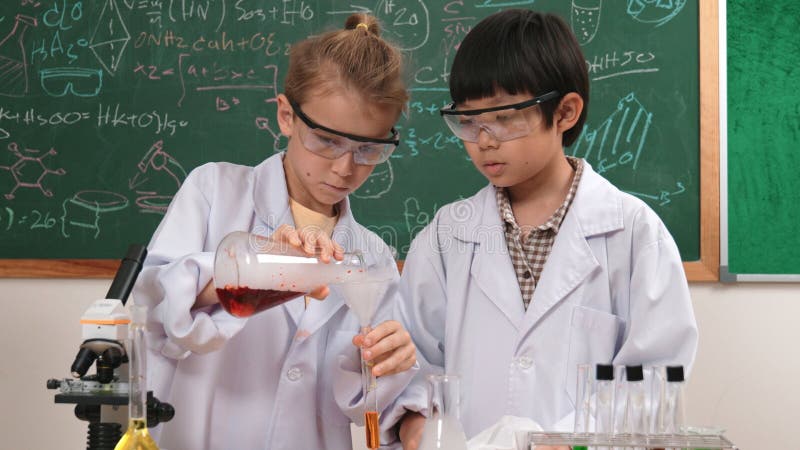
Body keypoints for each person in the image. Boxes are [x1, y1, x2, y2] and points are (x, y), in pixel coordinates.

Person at [395, 9, 698, 448]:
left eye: (504, 117)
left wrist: (565, 440)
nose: (484, 141)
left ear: (565, 112)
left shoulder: (633, 233)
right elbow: (413, 359)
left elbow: (654, 377)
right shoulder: (448, 235)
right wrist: (420, 426)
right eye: (468, 120)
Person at [133, 14, 418, 450]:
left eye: (369, 149)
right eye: (327, 140)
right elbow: (153, 313)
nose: (345, 168)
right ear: (287, 115)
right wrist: (257, 266)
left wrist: (390, 363)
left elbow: (365, 407)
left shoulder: (372, 258)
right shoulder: (214, 192)